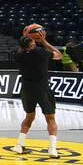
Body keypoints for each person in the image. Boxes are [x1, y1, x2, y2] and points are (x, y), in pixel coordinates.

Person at [10, 29, 61, 157]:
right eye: (33, 41)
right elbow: (59, 55)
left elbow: (22, 49)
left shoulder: (18, 56)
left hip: (27, 90)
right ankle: (53, 149)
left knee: (29, 117)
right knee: (50, 119)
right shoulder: (41, 52)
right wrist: (44, 41)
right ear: (32, 44)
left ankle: (19, 145)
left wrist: (24, 39)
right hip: (42, 89)